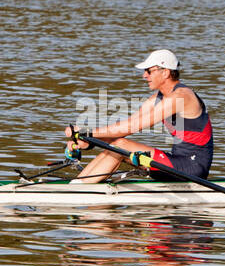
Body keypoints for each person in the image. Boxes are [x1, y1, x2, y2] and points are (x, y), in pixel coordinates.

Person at [65, 49, 213, 183]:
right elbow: (129, 123)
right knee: (118, 145)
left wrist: (86, 133)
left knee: (120, 145)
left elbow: (132, 127)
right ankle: (78, 184)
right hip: (177, 161)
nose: (144, 75)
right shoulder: (157, 99)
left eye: (149, 71)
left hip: (192, 167)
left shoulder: (181, 96)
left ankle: (78, 190)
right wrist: (89, 141)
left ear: (165, 72)